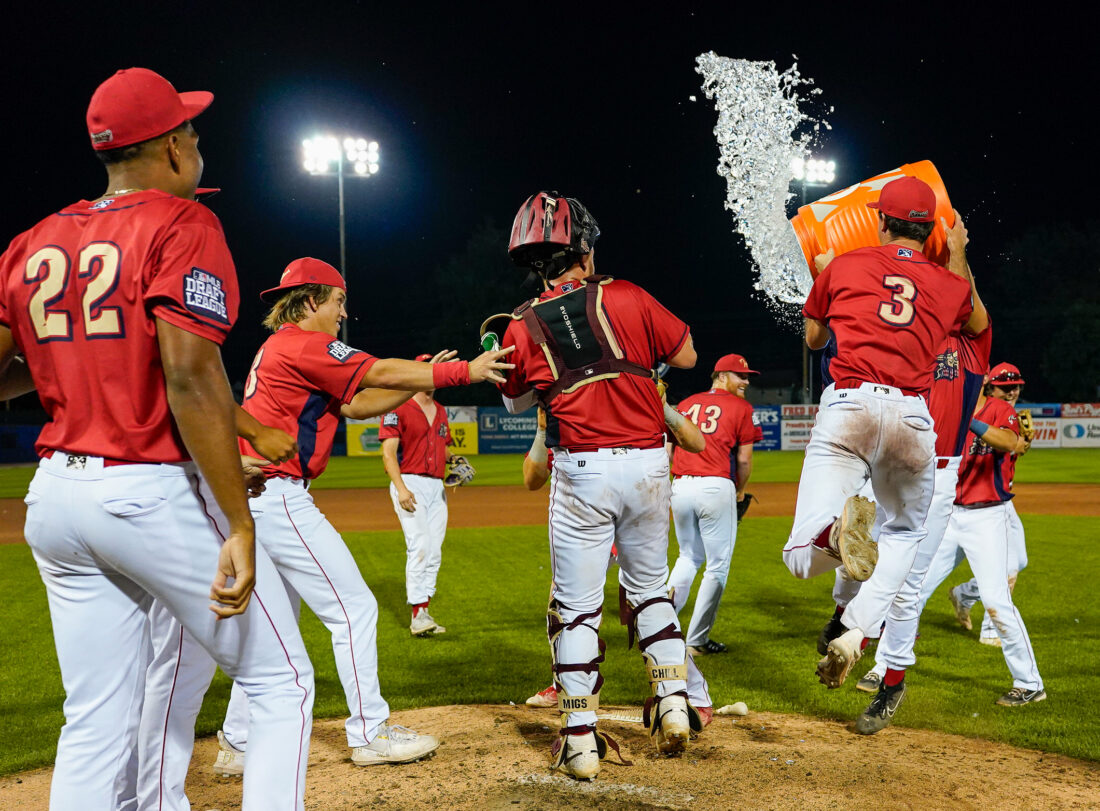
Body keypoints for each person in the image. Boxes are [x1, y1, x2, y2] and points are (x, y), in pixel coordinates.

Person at [0, 67, 314, 810]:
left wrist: (71, 359)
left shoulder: (34, 239)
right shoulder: (183, 223)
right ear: (172, 147)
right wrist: (239, 522)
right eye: (191, 133)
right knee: (281, 681)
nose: (197, 146)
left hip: (55, 499)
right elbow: (192, 375)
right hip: (144, 488)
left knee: (95, 718)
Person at [137, 257, 513, 805]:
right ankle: (370, 732)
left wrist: (414, 382)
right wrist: (463, 373)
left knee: (273, 627)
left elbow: (358, 404)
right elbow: (376, 372)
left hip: (260, 495)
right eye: (337, 301)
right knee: (354, 608)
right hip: (279, 495)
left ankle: (238, 742)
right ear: (311, 300)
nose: (343, 313)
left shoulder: (282, 348)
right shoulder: (302, 344)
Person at [497, 191, 700, 780]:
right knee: (651, 589)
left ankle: (581, 740)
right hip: (647, 463)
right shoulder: (628, 294)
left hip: (581, 469)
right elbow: (687, 356)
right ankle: (672, 702)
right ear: (583, 248)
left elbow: (514, 402)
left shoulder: (520, 323)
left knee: (576, 608)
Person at [781, 176, 976, 691]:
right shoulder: (948, 284)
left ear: (882, 222)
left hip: (851, 406)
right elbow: (972, 315)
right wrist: (957, 250)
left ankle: (832, 537)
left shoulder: (847, 264)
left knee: (800, 557)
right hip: (913, 416)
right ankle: (855, 633)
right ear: (931, 229)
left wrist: (824, 277)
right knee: (905, 535)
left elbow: (814, 338)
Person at [812, 257, 992, 733]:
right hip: (884, 459)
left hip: (936, 472)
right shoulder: (903, 336)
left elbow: (969, 301)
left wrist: (956, 248)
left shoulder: (970, 344)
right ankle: (842, 619)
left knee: (907, 587)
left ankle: (890, 682)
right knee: (849, 550)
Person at [523, 405, 714, 726]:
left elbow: (696, 442)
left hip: (625, 515)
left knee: (646, 608)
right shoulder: (570, 410)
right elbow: (532, 478)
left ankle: (693, 695)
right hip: (591, 517)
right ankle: (566, 683)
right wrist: (543, 430)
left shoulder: (630, 401)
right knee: (567, 604)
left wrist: (664, 408)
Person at [907, 363, 1045, 705]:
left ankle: (1029, 683)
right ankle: (887, 668)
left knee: (998, 598)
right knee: (913, 589)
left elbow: (1009, 442)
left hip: (987, 515)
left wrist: (968, 418)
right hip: (948, 514)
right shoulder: (944, 408)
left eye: (1015, 386)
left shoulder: (999, 409)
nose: (1012, 391)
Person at [666, 353, 762, 656]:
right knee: (717, 566)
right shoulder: (742, 408)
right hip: (715, 485)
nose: (746, 382)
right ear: (721, 376)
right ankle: (696, 640)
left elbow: (668, 449)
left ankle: (661, 628)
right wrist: (740, 491)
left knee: (687, 557)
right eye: (740, 376)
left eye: (747, 377)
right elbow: (744, 460)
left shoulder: (686, 403)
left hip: (680, 485)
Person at [943, 363, 1031, 644]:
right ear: (989, 387)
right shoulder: (980, 411)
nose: (1012, 392)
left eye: (1015, 387)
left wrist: (1018, 445)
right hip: (969, 504)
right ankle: (992, 630)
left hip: (997, 503)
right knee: (1007, 566)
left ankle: (964, 594)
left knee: (1019, 561)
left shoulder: (1008, 415)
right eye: (1005, 387)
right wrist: (1014, 444)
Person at [380, 358, 462, 635]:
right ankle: (417, 614)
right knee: (420, 545)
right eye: (425, 369)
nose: (430, 374)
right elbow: (388, 453)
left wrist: (456, 460)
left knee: (434, 550)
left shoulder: (440, 410)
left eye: (432, 369)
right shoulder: (398, 407)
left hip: (436, 486)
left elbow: (443, 446)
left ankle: (424, 611)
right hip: (410, 483)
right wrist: (401, 487)